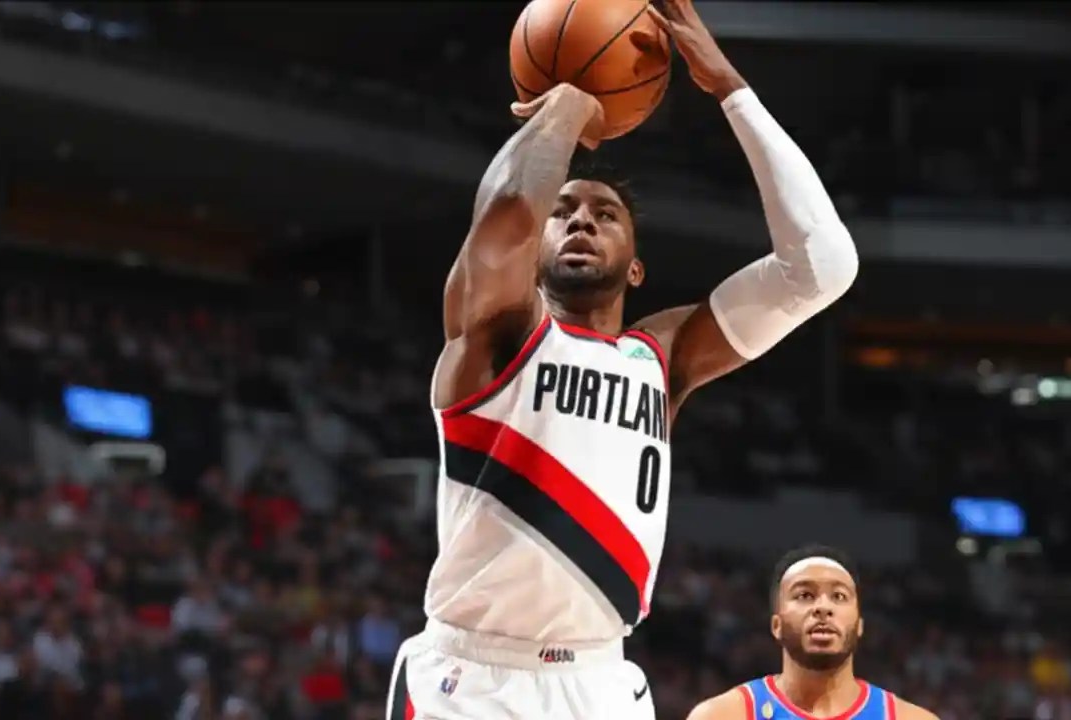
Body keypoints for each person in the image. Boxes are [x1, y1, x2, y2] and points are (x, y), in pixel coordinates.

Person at [385, 0, 860, 717]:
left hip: (601, 681)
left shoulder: (663, 357)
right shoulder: (494, 333)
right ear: (538, 252)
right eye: (566, 211)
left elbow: (822, 267)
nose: (579, 219)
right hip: (473, 678)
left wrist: (732, 89)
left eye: (605, 214)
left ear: (636, 267)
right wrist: (570, 104)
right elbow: (511, 211)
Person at [686, 545, 937, 720]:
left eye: (839, 596)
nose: (823, 608)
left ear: (859, 624)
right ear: (777, 625)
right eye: (804, 595)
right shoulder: (722, 716)